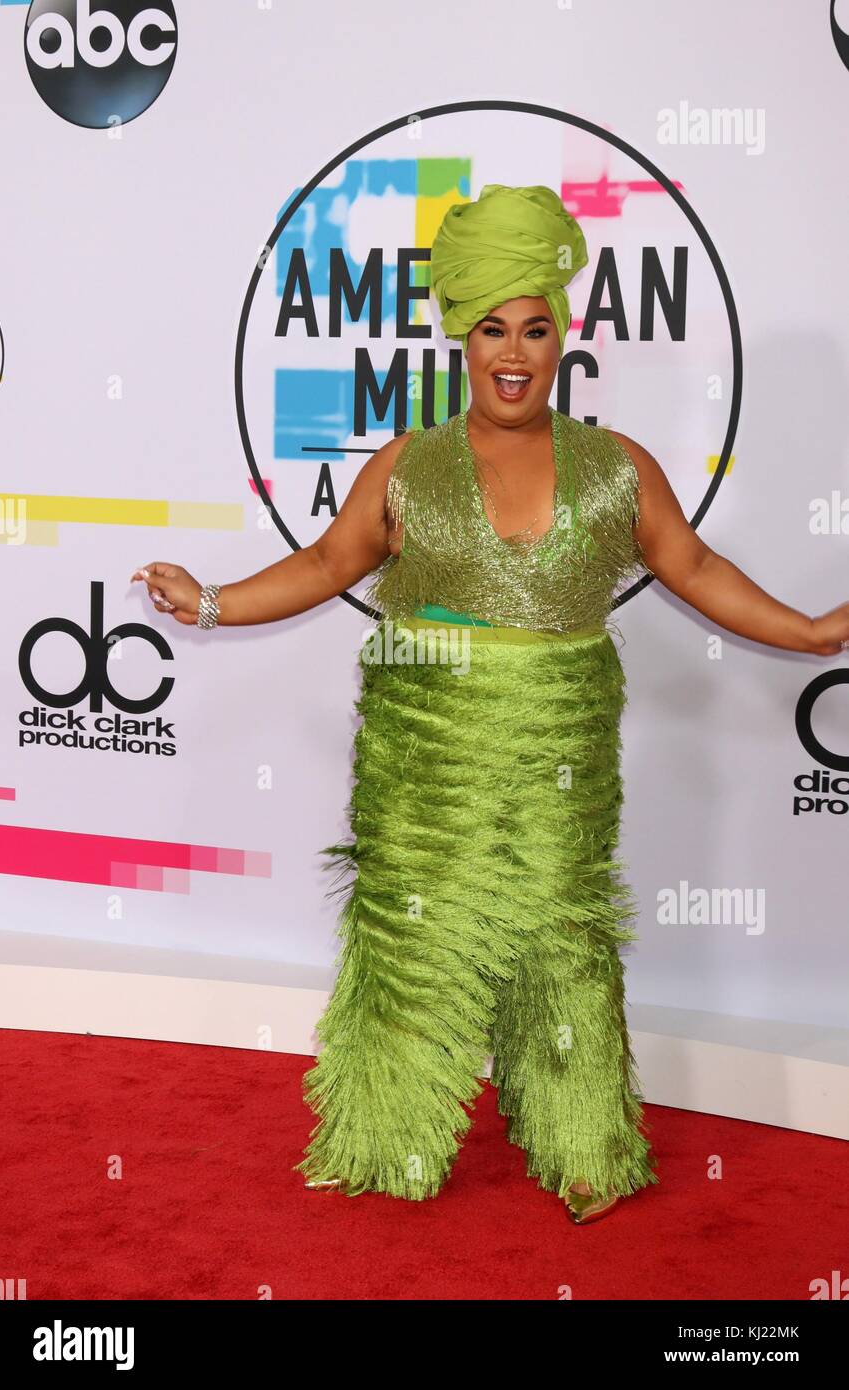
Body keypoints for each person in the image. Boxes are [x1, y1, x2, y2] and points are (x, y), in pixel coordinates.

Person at [131, 184, 849, 1225]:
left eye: (534, 327)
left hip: (555, 756)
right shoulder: (408, 465)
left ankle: (580, 1144)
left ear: (564, 338)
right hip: (428, 761)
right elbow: (329, 561)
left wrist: (814, 632)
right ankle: (387, 1139)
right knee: (411, 942)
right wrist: (209, 602)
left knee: (561, 942)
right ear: (460, 340)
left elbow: (694, 565)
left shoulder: (616, 469)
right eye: (489, 329)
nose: (511, 351)